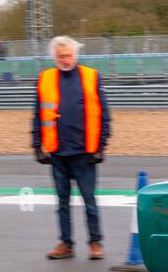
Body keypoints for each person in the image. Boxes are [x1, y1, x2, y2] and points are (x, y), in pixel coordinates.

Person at [31, 36, 110, 260]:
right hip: (57, 153)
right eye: (61, 56)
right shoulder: (45, 79)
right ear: (54, 58)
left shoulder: (91, 76)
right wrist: (37, 144)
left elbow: (104, 114)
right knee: (62, 203)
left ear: (75, 55)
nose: (65, 60)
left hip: (84, 153)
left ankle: (95, 243)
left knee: (90, 201)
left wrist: (101, 145)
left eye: (68, 55)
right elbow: (38, 113)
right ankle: (66, 244)